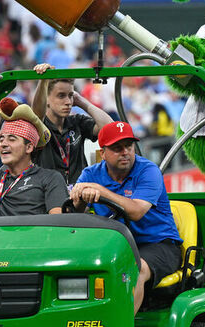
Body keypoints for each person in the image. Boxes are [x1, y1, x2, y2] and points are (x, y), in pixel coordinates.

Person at [71, 121, 182, 315]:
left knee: (134, 269)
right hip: (116, 246)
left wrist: (100, 190)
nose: (125, 152)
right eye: (117, 148)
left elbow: (136, 211)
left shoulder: (148, 171)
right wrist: (79, 198)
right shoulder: (90, 174)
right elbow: (73, 215)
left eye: (129, 146)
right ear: (103, 153)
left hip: (158, 244)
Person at [31, 62, 112, 184]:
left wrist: (81, 101)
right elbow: (36, 114)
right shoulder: (41, 125)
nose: (68, 102)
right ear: (46, 99)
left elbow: (110, 129)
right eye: (61, 96)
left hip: (80, 190)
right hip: (49, 192)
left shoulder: (77, 121)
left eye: (70, 96)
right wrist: (43, 81)